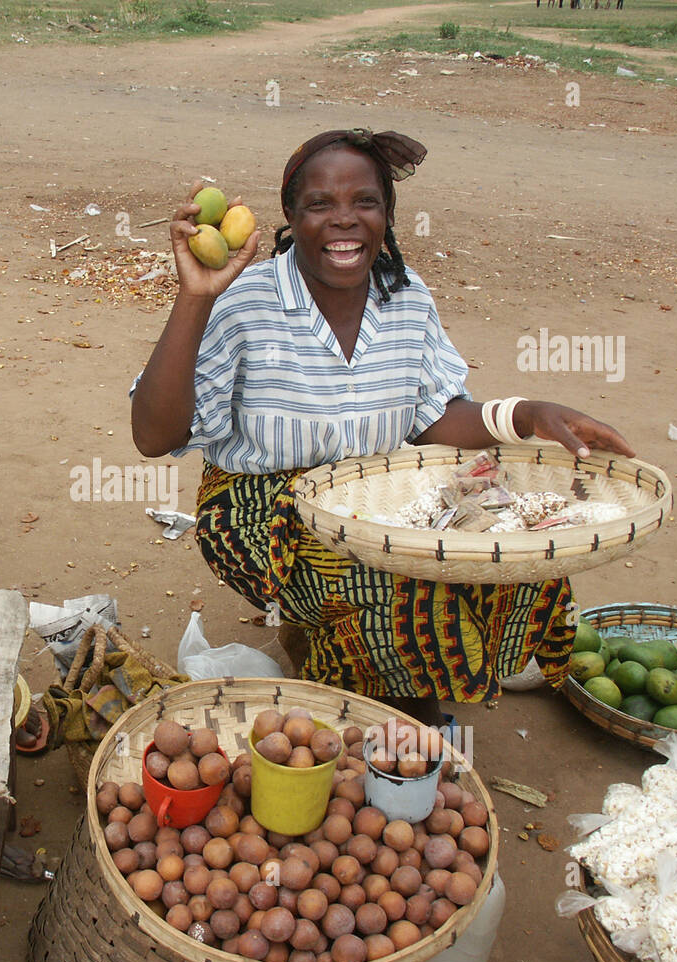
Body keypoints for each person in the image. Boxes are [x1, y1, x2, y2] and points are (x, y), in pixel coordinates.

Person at [130, 129, 634, 726]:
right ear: (290, 215)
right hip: (257, 504)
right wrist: (195, 296)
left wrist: (527, 415)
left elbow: (434, 420)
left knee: (513, 549)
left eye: (365, 202)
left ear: (387, 214)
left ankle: (412, 667)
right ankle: (390, 712)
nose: (345, 221)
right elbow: (153, 436)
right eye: (320, 204)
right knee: (389, 591)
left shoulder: (406, 297)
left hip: (375, 495)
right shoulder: (244, 301)